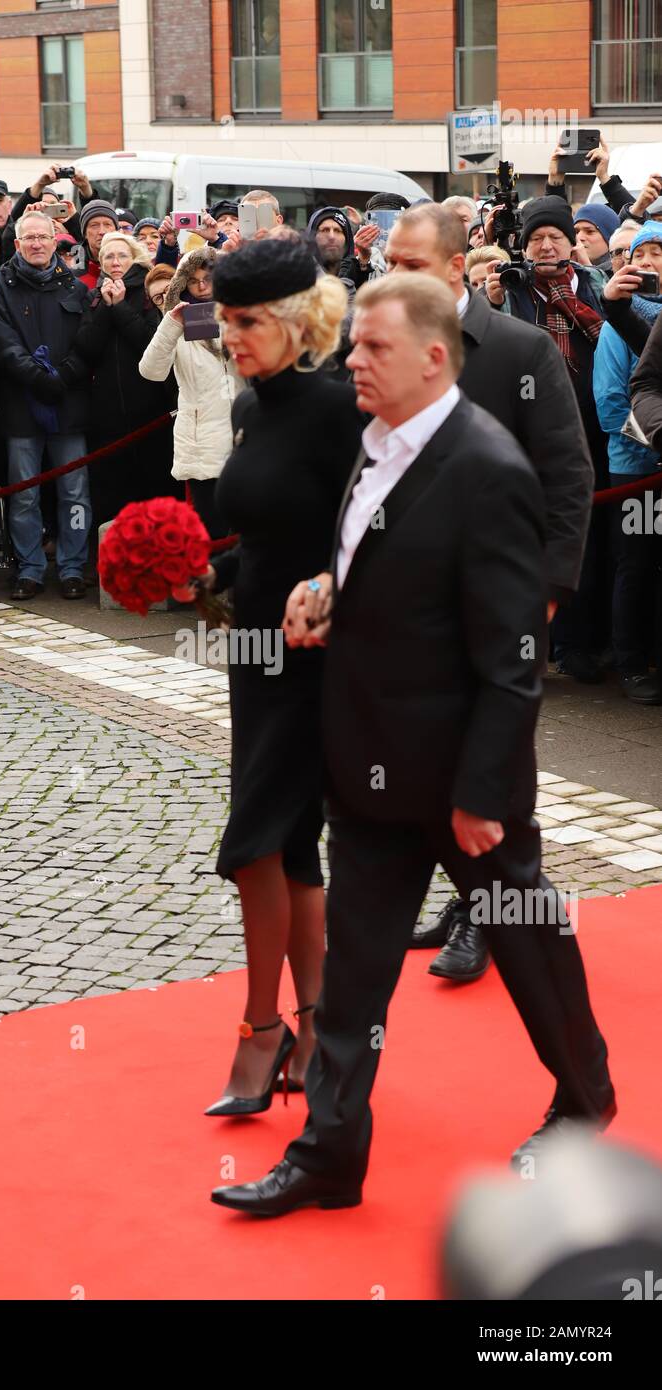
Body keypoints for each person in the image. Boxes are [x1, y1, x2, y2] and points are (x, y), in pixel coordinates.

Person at [211, 274, 616, 1217]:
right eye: (350, 344)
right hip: (367, 766)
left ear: (434, 357)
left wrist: (482, 790)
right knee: (352, 984)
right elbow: (374, 567)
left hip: (462, 778)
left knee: (529, 948)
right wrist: (325, 597)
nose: (350, 359)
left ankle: (586, 1096)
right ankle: (328, 1156)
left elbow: (517, 655)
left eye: (372, 347)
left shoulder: (488, 470)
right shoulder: (373, 447)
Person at [375, 202, 596, 982]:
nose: (391, 277)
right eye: (386, 263)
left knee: (497, 763)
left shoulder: (520, 350)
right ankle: (469, 897)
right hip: (412, 603)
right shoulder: (382, 348)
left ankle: (495, 916)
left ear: (451, 263)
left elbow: (569, 479)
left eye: (406, 264)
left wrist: (546, 594)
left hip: (501, 599)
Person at [189, 239, 365, 1111]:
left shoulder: (341, 413)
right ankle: (320, 1026)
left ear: (299, 324)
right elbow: (259, 537)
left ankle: (263, 1031)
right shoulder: (251, 410)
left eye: (247, 321)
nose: (231, 337)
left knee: (251, 842)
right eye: (223, 321)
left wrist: (332, 587)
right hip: (251, 656)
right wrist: (203, 576)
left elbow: (371, 533)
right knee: (291, 849)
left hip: (316, 659)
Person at [486, 197, 610, 688]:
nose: (545, 245)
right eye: (536, 238)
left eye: (555, 236)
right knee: (531, 541)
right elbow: (478, 342)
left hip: (593, 427)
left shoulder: (595, 287)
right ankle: (539, 645)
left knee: (589, 538)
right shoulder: (511, 288)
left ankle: (584, 642)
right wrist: (491, 301)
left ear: (571, 242)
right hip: (528, 432)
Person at [0, 210, 92, 600]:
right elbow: (2, 343)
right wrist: (39, 378)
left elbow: (87, 343)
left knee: (74, 492)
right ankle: (30, 568)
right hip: (21, 407)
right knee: (24, 494)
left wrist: (62, 378)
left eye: (43, 237)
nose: (37, 244)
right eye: (29, 238)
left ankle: (73, 567)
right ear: (18, 243)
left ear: (55, 240)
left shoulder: (75, 287)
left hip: (69, 404)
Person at [593, 224, 662, 706]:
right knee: (636, 565)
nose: (652, 262)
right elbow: (612, 401)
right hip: (636, 469)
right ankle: (631, 663)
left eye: (661, 253)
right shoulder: (618, 324)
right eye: (645, 253)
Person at [74, 232, 177, 528]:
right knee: (112, 495)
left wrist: (120, 307)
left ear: (134, 257)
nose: (115, 262)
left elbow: (151, 343)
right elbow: (86, 347)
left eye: (121, 255)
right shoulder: (94, 296)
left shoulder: (148, 291)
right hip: (108, 418)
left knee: (155, 493)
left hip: (151, 411)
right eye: (108, 256)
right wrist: (107, 307)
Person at [138, 247, 239, 537]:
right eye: (194, 281)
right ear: (184, 284)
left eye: (209, 277)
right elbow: (151, 371)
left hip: (244, 439)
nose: (203, 286)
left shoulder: (241, 313)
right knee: (212, 536)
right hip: (202, 445)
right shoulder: (177, 321)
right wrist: (172, 323)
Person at [340, 192, 409, 288]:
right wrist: (363, 258)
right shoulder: (362, 256)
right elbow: (346, 290)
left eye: (391, 222)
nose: (384, 230)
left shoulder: (415, 254)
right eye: (377, 222)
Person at [78, 199, 120, 289]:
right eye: (94, 225)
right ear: (85, 233)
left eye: (107, 224)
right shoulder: (73, 275)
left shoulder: (131, 270)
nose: (102, 231)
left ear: (116, 230)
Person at [573, 203, 620, 278]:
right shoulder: (566, 270)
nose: (579, 237)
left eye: (590, 232)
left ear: (610, 238)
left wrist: (588, 268)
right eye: (576, 232)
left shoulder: (619, 272)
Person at [307, 206, 354, 277]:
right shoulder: (299, 278)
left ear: (347, 239)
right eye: (325, 230)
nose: (332, 237)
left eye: (337, 231)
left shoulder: (361, 275)